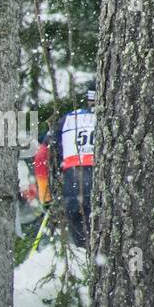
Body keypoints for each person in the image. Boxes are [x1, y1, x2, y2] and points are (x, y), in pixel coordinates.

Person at [51, 89, 96, 248]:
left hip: (73, 188)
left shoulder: (68, 119)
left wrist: (45, 195)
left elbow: (43, 154)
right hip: (100, 187)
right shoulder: (114, 118)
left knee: (82, 245)